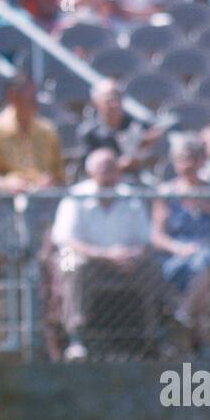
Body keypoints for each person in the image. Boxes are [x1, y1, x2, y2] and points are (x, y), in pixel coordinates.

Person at [46, 147, 162, 361]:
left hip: (125, 261)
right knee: (71, 264)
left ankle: (153, 335)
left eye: (112, 167)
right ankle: (76, 338)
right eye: (103, 168)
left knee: (152, 265)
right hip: (87, 259)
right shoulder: (75, 196)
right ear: (91, 172)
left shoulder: (132, 197)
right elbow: (66, 240)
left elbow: (145, 242)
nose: (109, 173)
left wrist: (132, 255)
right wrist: (105, 254)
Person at [151, 133, 210, 353]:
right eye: (183, 159)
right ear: (174, 163)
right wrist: (179, 248)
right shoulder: (166, 193)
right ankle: (199, 341)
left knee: (208, 258)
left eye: (193, 158)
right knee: (203, 262)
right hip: (180, 256)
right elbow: (157, 237)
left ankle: (184, 318)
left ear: (203, 161)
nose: (188, 164)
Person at [0, 77, 65, 193]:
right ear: (13, 96)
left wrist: (50, 181)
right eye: (31, 97)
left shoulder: (48, 130)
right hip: (6, 202)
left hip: (45, 201)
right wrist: (7, 184)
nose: (36, 102)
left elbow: (60, 177)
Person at [76, 79, 163, 177]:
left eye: (118, 97)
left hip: (136, 180)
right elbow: (88, 167)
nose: (115, 104)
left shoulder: (137, 125)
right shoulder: (89, 132)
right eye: (109, 100)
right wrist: (118, 165)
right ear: (96, 102)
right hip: (103, 183)